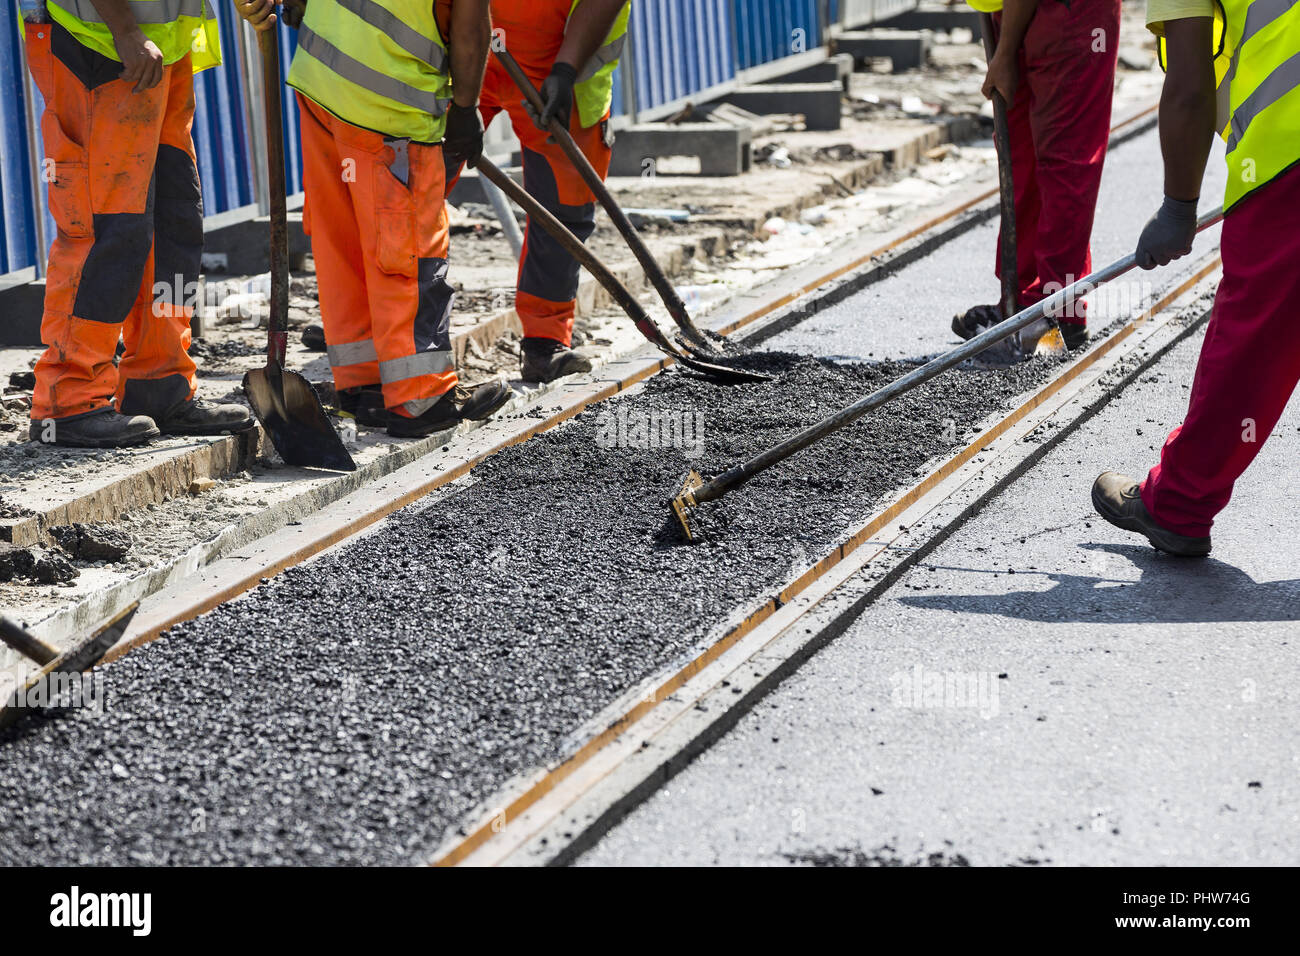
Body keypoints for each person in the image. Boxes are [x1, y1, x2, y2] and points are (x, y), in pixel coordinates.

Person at [236, 0, 511, 436]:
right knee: (405, 255)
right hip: (391, 105)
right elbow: (470, 25)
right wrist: (464, 107)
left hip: (323, 85)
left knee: (342, 246)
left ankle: (365, 388)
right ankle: (422, 396)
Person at [1092, 0, 1300, 556]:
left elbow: (1188, 84)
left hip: (1288, 155)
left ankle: (1179, 504)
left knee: (1254, 343)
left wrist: (1178, 207)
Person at [24, 0, 254, 448]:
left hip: (159, 50)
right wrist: (125, 30)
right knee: (105, 231)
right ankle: (67, 402)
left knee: (173, 225)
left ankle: (160, 383)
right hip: (101, 46)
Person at [448, 0, 630, 384]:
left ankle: (545, 343)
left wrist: (566, 70)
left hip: (558, 60)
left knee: (563, 204)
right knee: (405, 189)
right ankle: (369, 331)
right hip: (460, 43)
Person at [954, 0, 1123, 353]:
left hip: (1073, 13)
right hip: (1013, 12)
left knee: (1066, 155)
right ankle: (1021, 306)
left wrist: (1005, 51)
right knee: (1020, 152)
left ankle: (1057, 310)